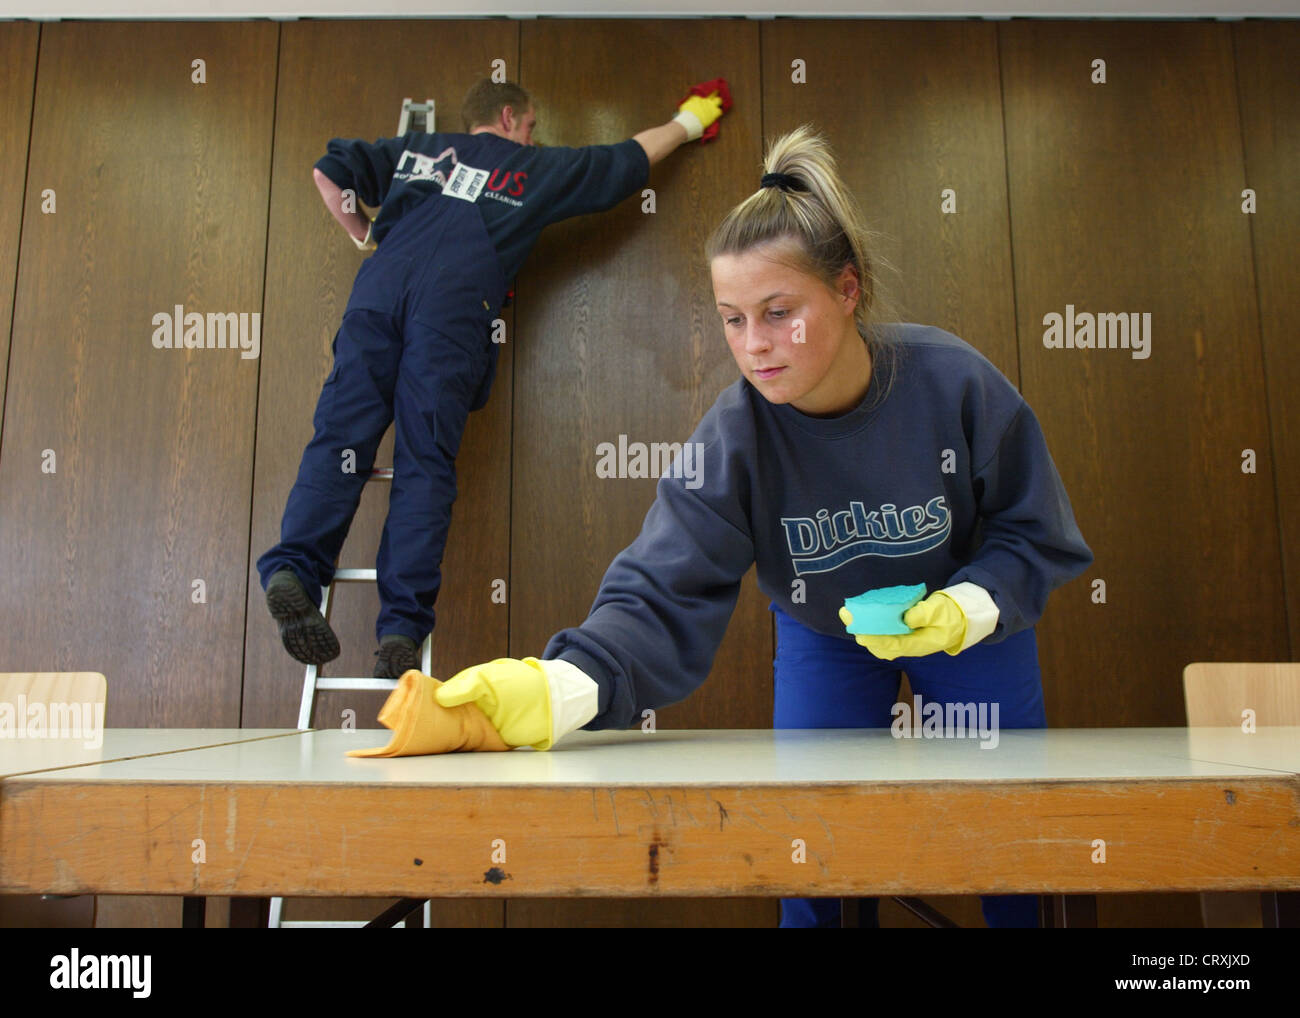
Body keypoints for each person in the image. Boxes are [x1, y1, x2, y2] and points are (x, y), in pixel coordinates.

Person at [379, 123, 1095, 929]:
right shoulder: (734, 437)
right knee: (813, 853)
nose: (754, 347)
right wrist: (557, 687)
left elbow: (1033, 530)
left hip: (972, 632)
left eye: (779, 312)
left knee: (1015, 841)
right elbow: (660, 589)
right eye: (731, 318)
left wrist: (971, 606)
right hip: (826, 632)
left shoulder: (953, 381)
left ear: (848, 289)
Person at [257, 78, 728, 678]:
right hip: (449, 316)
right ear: (510, 118)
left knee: (339, 440)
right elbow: (623, 163)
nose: (533, 137)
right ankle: (400, 631)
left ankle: (293, 568)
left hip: (376, 295)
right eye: (532, 126)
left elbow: (329, 174)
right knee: (424, 467)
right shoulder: (528, 168)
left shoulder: (415, 151)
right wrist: (688, 121)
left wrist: (365, 234)